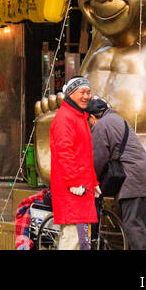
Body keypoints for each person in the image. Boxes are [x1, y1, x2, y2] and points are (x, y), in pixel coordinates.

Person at [87, 97, 146, 251]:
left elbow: (97, 159)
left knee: (133, 227)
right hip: (143, 179)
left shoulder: (101, 126)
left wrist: (91, 181)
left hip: (132, 183)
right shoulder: (117, 119)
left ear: (92, 117)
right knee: (138, 227)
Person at [49, 76, 98, 251]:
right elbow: (65, 153)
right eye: (82, 92)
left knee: (78, 236)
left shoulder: (79, 117)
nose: (86, 96)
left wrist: (94, 182)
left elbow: (84, 155)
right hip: (72, 187)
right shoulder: (66, 118)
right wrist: (73, 182)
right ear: (70, 94)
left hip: (81, 186)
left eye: (88, 92)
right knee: (73, 237)